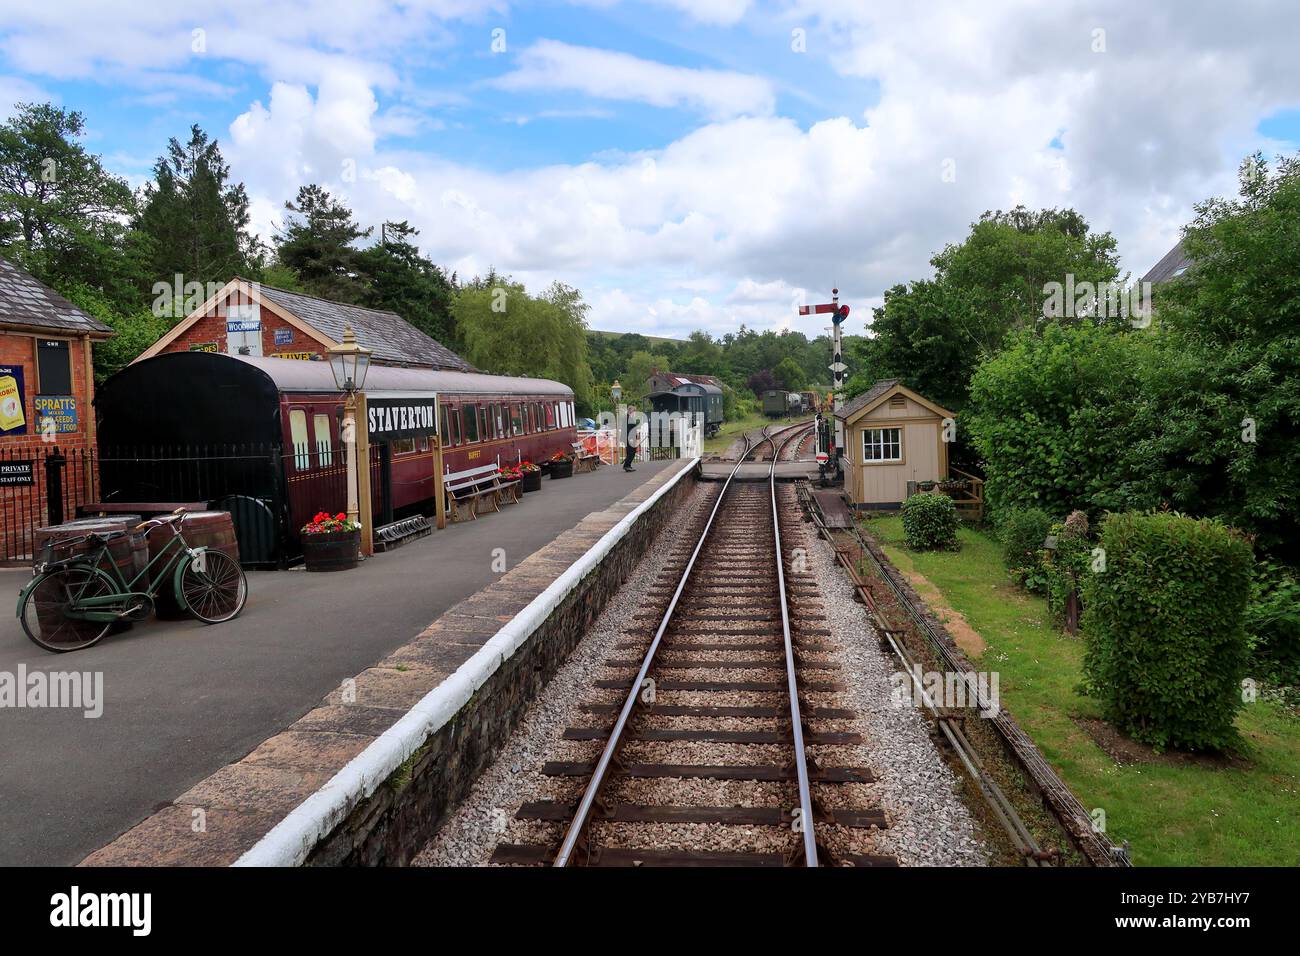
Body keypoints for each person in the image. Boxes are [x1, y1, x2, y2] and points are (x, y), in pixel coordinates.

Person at [623, 405, 640, 472]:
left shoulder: (629, 417)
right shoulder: (627, 418)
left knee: (630, 451)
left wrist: (636, 434)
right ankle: (626, 465)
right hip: (629, 437)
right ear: (630, 411)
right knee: (632, 451)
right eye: (634, 411)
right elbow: (628, 429)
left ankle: (628, 465)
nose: (634, 413)